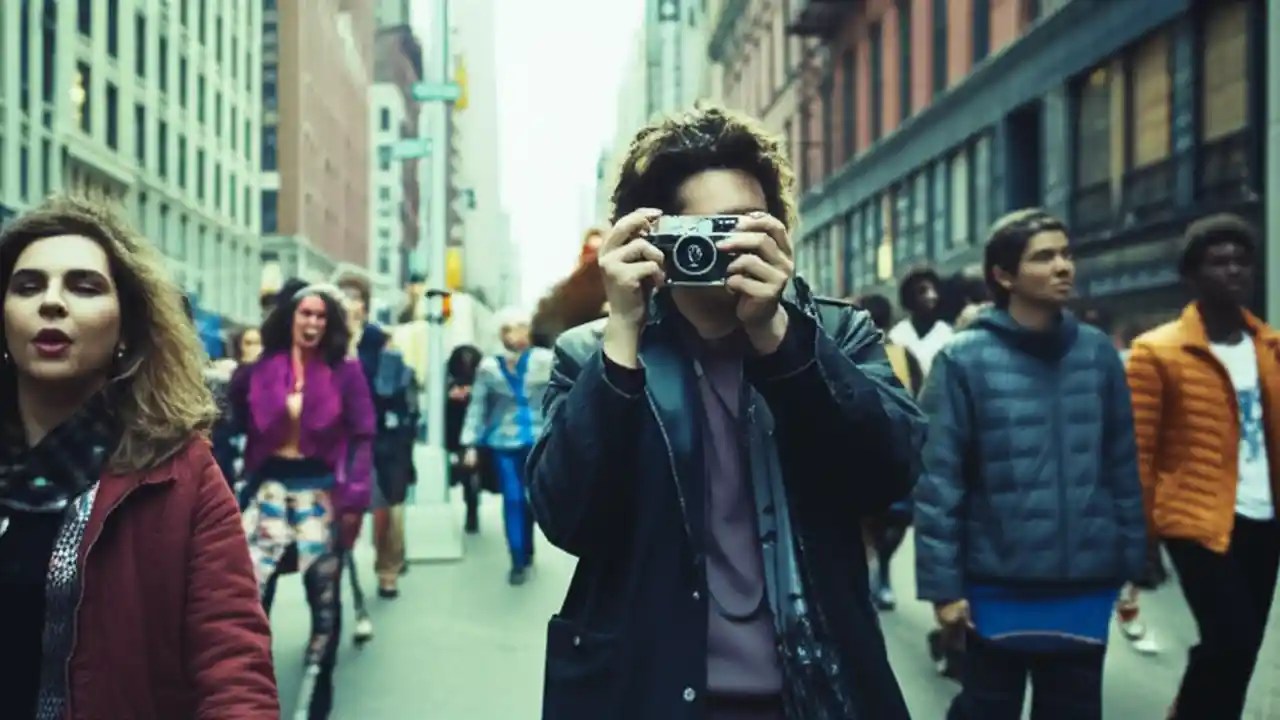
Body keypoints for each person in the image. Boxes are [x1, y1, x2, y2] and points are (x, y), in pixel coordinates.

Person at [529, 105, 924, 720]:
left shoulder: (836, 333)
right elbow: (567, 518)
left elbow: (887, 473)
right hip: (649, 692)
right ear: (652, 237)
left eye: (748, 225)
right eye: (705, 228)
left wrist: (778, 337)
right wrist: (624, 336)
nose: (726, 245)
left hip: (813, 687)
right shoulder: (594, 352)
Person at [0, 195, 278, 717]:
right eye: (28, 286)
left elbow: (232, 661)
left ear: (126, 327)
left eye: (84, 286)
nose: (51, 303)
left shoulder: (180, 473)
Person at [914, 208, 1147, 720]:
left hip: (1085, 580)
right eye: (1044, 257)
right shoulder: (963, 359)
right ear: (1003, 275)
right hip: (994, 582)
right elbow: (938, 482)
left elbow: (1122, 465)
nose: (1064, 266)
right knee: (986, 710)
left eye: (1066, 254)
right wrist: (943, 589)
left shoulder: (1097, 355)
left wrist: (1134, 561)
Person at [1126, 214, 1280, 720]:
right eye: (1219, 262)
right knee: (1230, 638)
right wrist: (1142, 539)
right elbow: (1139, 452)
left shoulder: (1272, 349)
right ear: (1193, 275)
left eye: (1241, 261)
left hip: (1266, 518)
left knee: (1245, 646)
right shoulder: (1158, 351)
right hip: (1196, 519)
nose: (1233, 271)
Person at [241, 282, 375, 719]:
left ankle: (315, 708)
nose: (313, 323)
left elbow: (362, 435)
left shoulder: (345, 371)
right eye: (306, 314)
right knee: (249, 605)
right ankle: (248, 701)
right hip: (268, 493)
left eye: (321, 316)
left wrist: (353, 498)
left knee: (325, 609)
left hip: (320, 493)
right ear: (290, 318)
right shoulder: (263, 368)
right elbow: (225, 427)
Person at [336, 274, 416, 598]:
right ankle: (335, 566)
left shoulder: (381, 342)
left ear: (365, 306)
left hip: (382, 438)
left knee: (388, 509)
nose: (348, 307)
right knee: (342, 510)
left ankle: (388, 568)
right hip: (340, 438)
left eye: (353, 300)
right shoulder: (325, 343)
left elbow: (389, 390)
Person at [460, 309, 553, 585]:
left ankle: (528, 544)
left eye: (523, 328)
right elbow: (477, 406)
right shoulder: (489, 367)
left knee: (531, 498)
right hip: (503, 441)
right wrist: (469, 444)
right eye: (512, 329)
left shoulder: (544, 360)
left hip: (538, 440)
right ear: (502, 334)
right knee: (512, 498)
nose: (519, 335)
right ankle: (516, 558)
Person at [853, 293, 920, 612]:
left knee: (897, 520)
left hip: (897, 452)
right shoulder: (842, 347)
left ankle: (883, 568)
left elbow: (916, 400)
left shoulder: (902, 355)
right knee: (867, 524)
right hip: (861, 454)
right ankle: (872, 577)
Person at [445, 344, 493, 533]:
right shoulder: (452, 384)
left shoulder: (482, 381)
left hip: (478, 434)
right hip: (465, 436)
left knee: (471, 474)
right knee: (468, 475)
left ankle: (472, 511)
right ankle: (472, 511)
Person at [888, 266, 953, 376]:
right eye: (923, 291)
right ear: (910, 296)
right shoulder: (897, 335)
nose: (932, 296)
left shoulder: (947, 333)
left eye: (935, 290)